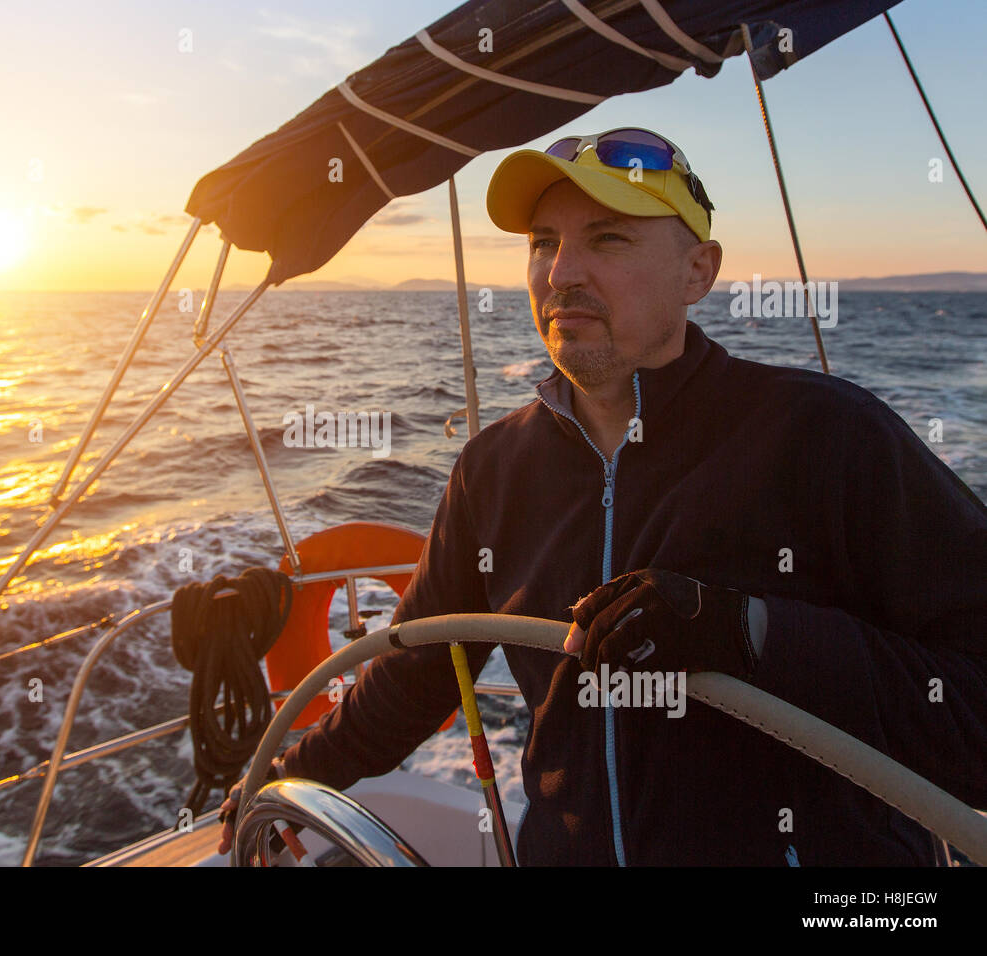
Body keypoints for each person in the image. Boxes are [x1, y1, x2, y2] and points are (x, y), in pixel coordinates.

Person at [219, 127, 987, 865]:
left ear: (699, 271)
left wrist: (749, 633)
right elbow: (415, 675)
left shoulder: (825, 435)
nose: (561, 273)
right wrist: (292, 767)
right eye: (544, 243)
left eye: (607, 238)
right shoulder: (492, 469)